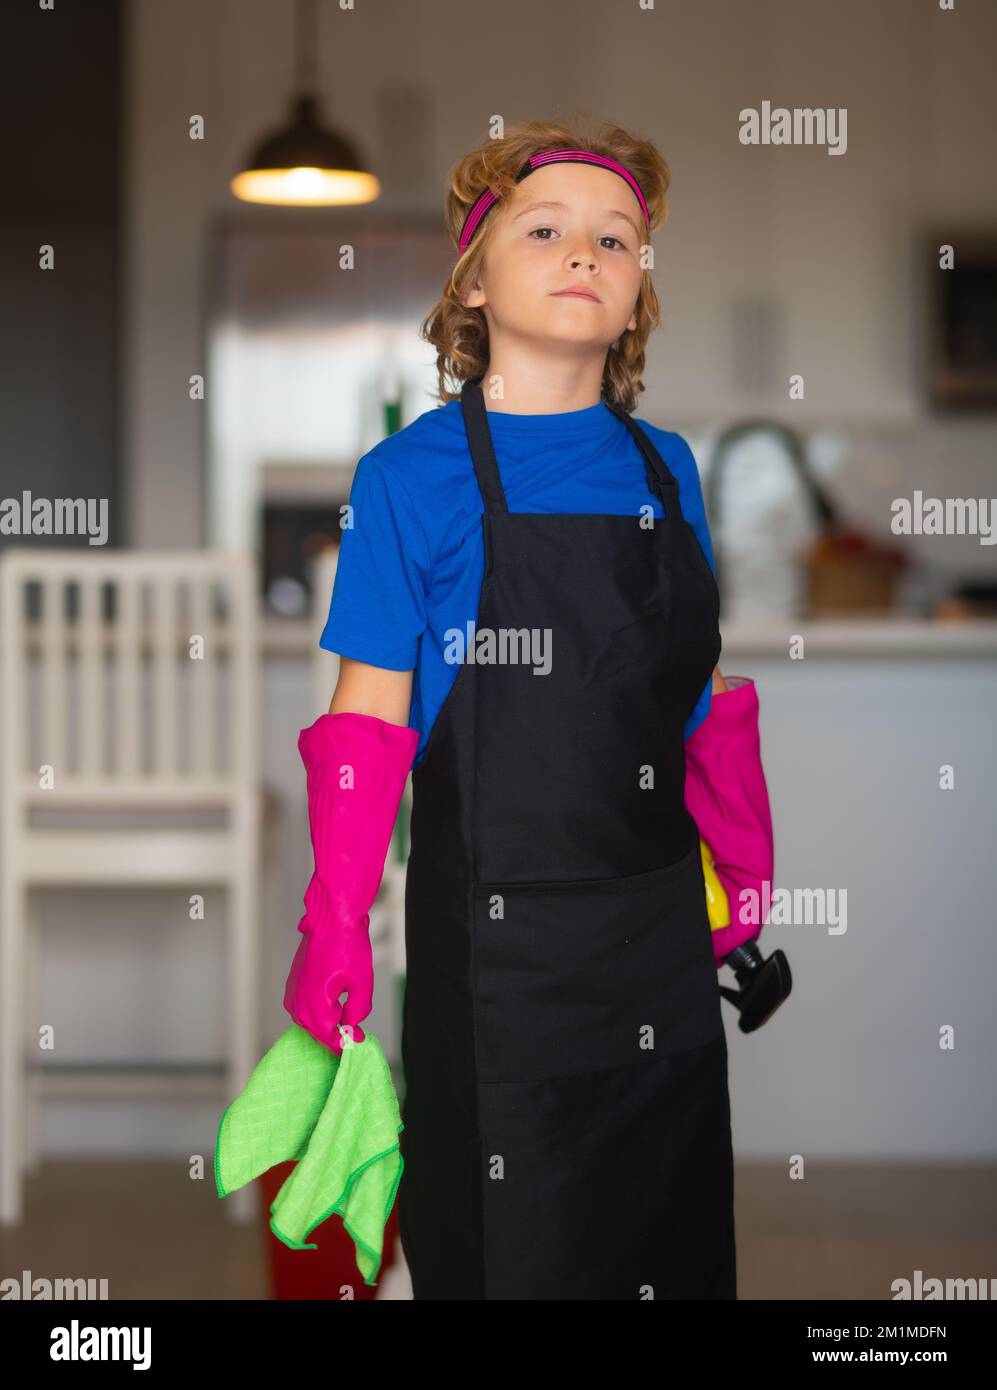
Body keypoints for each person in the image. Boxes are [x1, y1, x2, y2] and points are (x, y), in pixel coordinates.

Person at [283, 116, 774, 1300]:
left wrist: (746, 870)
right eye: (544, 229)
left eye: (616, 239)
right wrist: (335, 919)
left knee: (664, 1248)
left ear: (637, 291)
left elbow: (695, 699)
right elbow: (364, 728)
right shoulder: (408, 479)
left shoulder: (669, 471)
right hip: (495, 965)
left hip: (654, 941)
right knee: (508, 1255)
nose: (583, 254)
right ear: (474, 276)